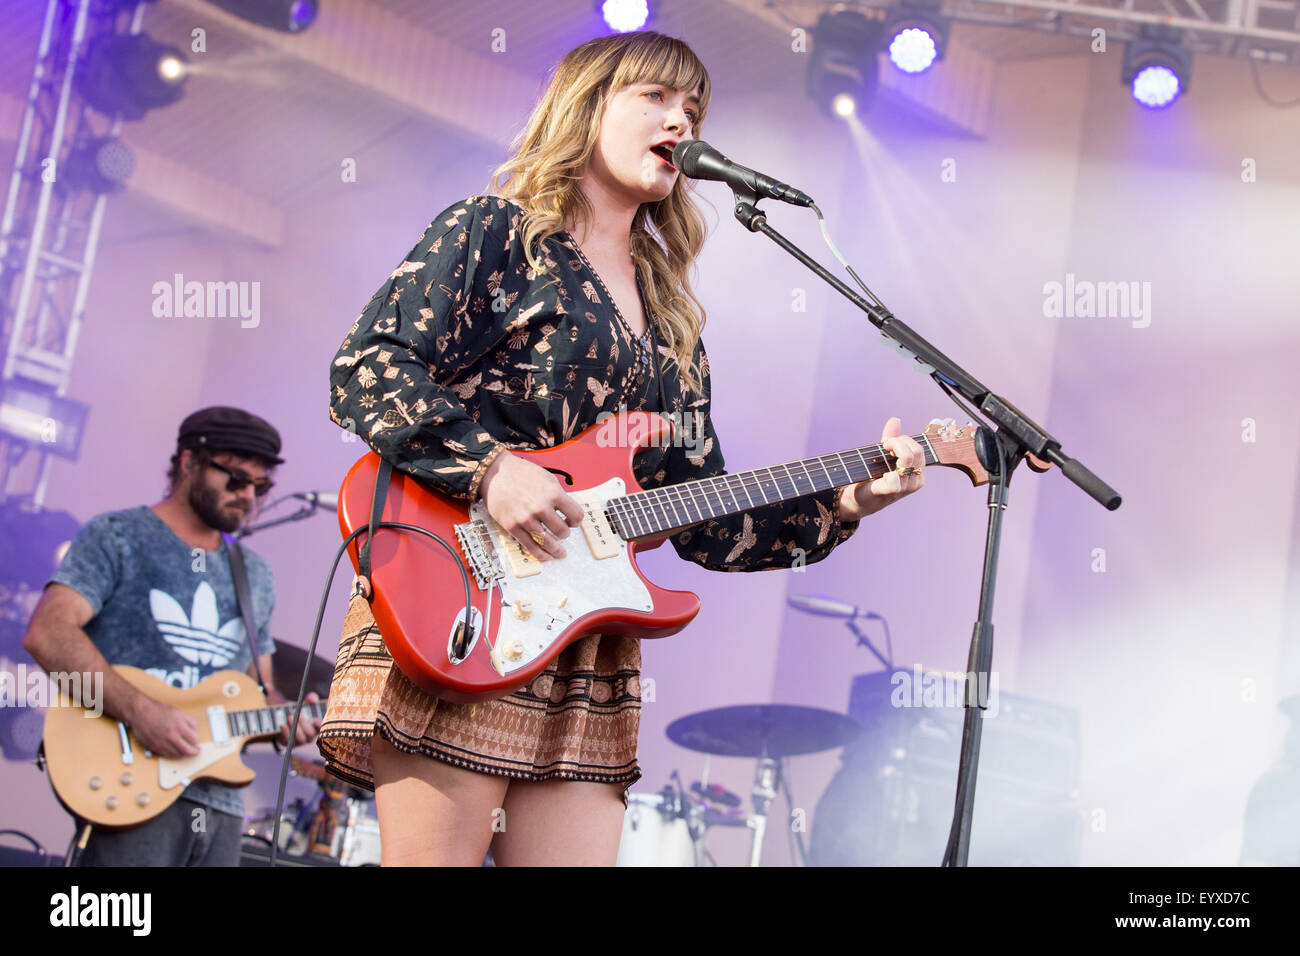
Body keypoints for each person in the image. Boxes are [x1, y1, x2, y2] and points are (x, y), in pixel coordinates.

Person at [318, 30, 926, 867]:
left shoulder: (673, 318)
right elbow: (368, 367)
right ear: (587, 106)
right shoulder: (496, 233)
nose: (681, 122)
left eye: (694, 109)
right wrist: (492, 471)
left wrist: (851, 499)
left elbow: (709, 519)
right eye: (657, 98)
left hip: (586, 639)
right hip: (461, 592)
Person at [23, 406, 321, 866]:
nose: (248, 496)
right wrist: (142, 711)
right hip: (129, 790)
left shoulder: (255, 575)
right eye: (237, 479)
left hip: (221, 805)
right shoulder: (119, 536)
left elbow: (259, 691)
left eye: (260, 487)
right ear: (188, 463)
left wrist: (288, 721)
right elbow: (47, 633)